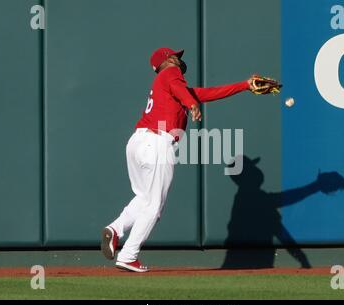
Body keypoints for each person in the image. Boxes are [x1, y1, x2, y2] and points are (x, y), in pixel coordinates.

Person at [101, 47, 257, 272]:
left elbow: (210, 93)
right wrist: (192, 104)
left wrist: (244, 85)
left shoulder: (170, 86)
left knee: (144, 197)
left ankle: (115, 229)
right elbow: (181, 89)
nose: (178, 59)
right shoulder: (170, 73)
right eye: (175, 56)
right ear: (167, 60)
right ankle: (128, 255)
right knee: (154, 206)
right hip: (156, 142)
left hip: (137, 142)